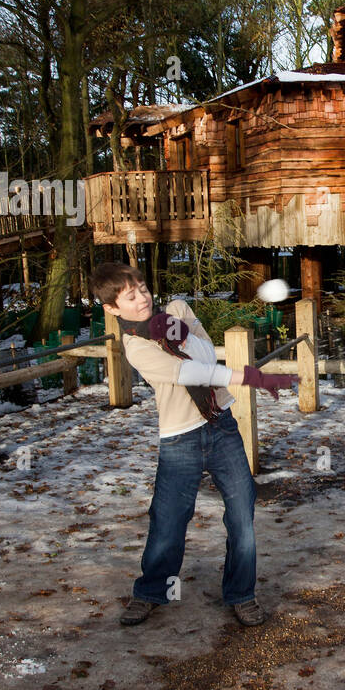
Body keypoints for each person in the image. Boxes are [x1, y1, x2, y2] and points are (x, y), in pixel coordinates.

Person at [91, 262, 292, 629]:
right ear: (112, 308)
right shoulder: (136, 347)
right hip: (180, 437)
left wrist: (181, 335)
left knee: (241, 514)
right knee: (168, 521)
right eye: (130, 296)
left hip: (221, 427)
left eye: (143, 288)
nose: (142, 298)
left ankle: (241, 594)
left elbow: (205, 354)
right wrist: (254, 377)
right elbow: (195, 372)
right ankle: (152, 590)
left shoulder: (178, 310)